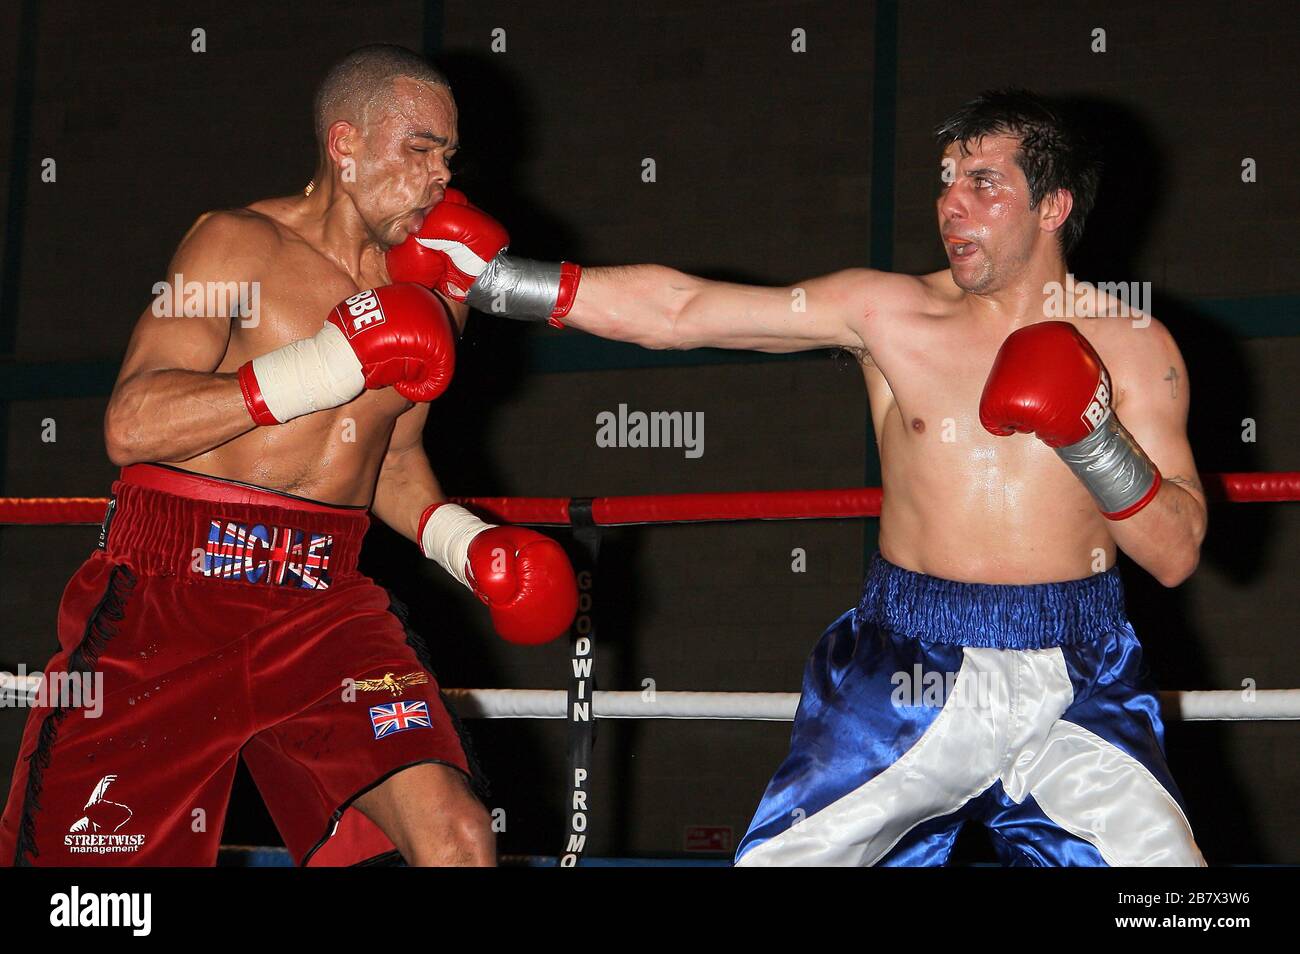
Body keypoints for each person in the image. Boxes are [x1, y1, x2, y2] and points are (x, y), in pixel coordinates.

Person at [394, 89, 1207, 866]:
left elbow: (1174, 554)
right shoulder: (886, 313)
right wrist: (503, 282)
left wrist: (1093, 437)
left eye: (983, 182)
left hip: (1078, 674)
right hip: (906, 665)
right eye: (946, 181)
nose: (950, 204)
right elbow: (683, 311)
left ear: (1054, 205)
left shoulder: (1137, 346)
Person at [0, 44, 577, 868]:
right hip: (175, 592)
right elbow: (130, 423)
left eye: (448, 157)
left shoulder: (435, 297)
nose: (439, 178)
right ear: (344, 146)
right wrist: (323, 367)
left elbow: (395, 461)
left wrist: (468, 544)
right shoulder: (233, 245)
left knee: (456, 835)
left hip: (322, 603)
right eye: (418, 151)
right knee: (88, 886)